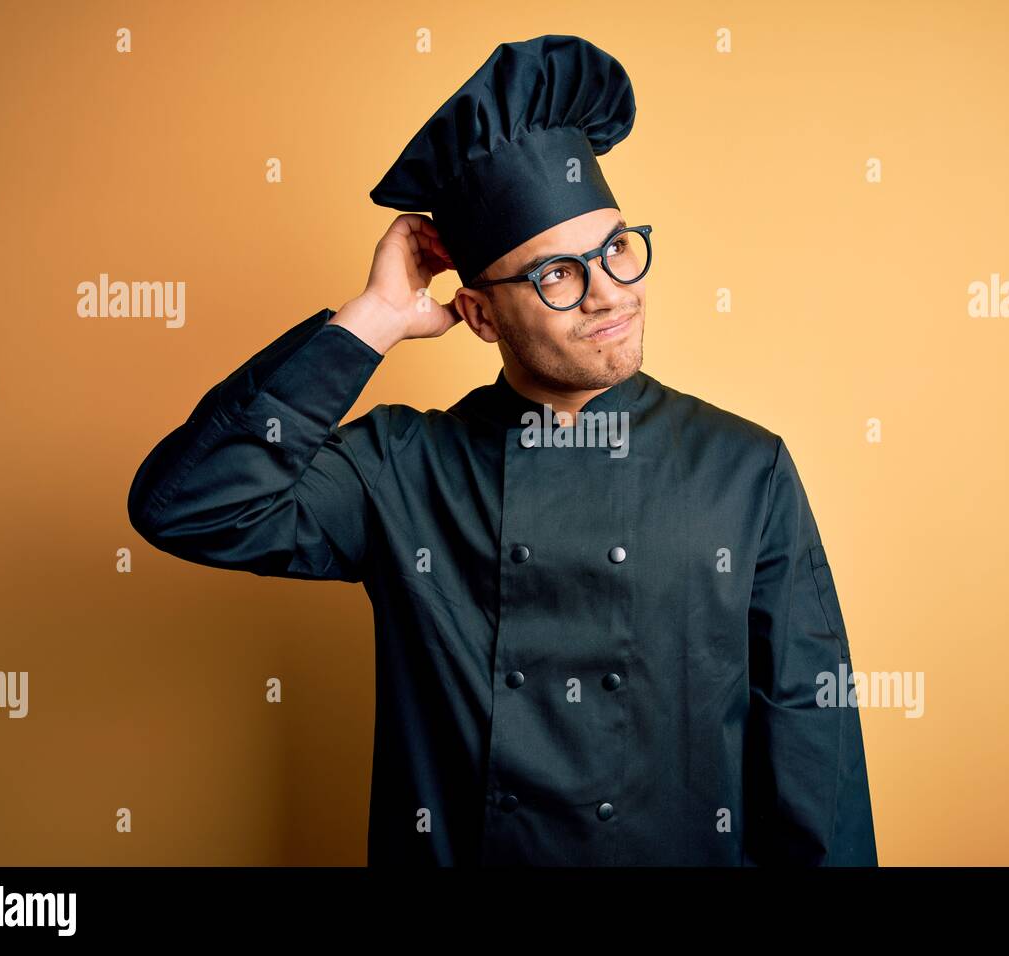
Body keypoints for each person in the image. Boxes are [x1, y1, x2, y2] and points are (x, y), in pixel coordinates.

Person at [127, 34, 878, 866]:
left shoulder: (746, 469)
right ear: (481, 317)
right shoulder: (403, 469)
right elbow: (188, 505)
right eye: (557, 274)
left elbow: (812, 731)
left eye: (617, 249)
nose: (607, 294)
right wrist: (371, 322)